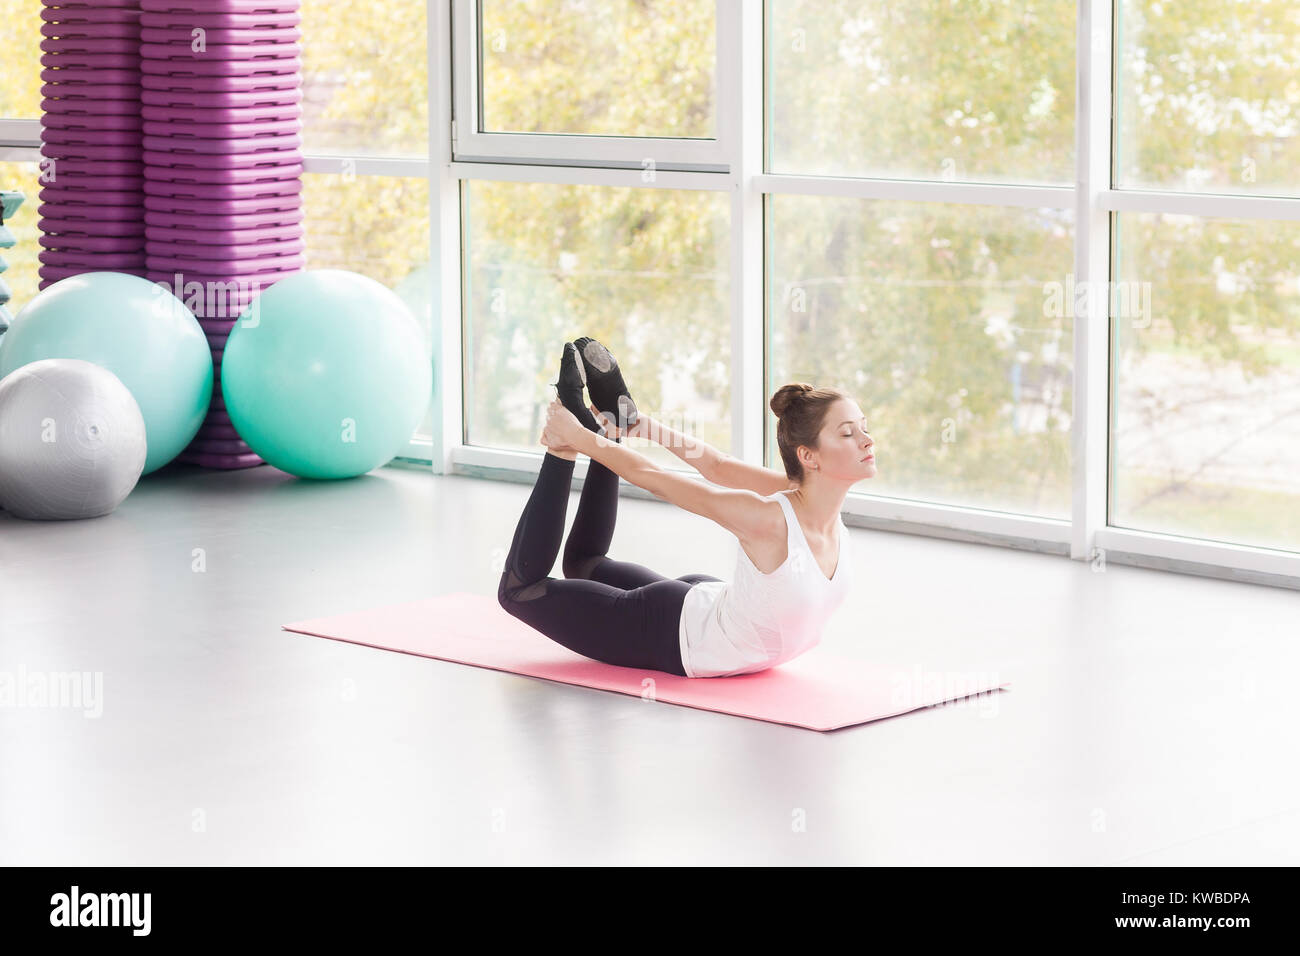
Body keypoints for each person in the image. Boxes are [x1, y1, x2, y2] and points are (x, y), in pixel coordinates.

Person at [497, 337, 876, 678]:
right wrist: (575, 438)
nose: (866, 439)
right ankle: (560, 449)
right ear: (809, 457)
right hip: (669, 633)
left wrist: (641, 425)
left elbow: (719, 467)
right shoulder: (769, 520)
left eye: (862, 426)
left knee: (584, 565)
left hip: (709, 608)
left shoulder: (813, 502)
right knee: (518, 591)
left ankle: (613, 427)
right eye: (848, 432)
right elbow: (659, 479)